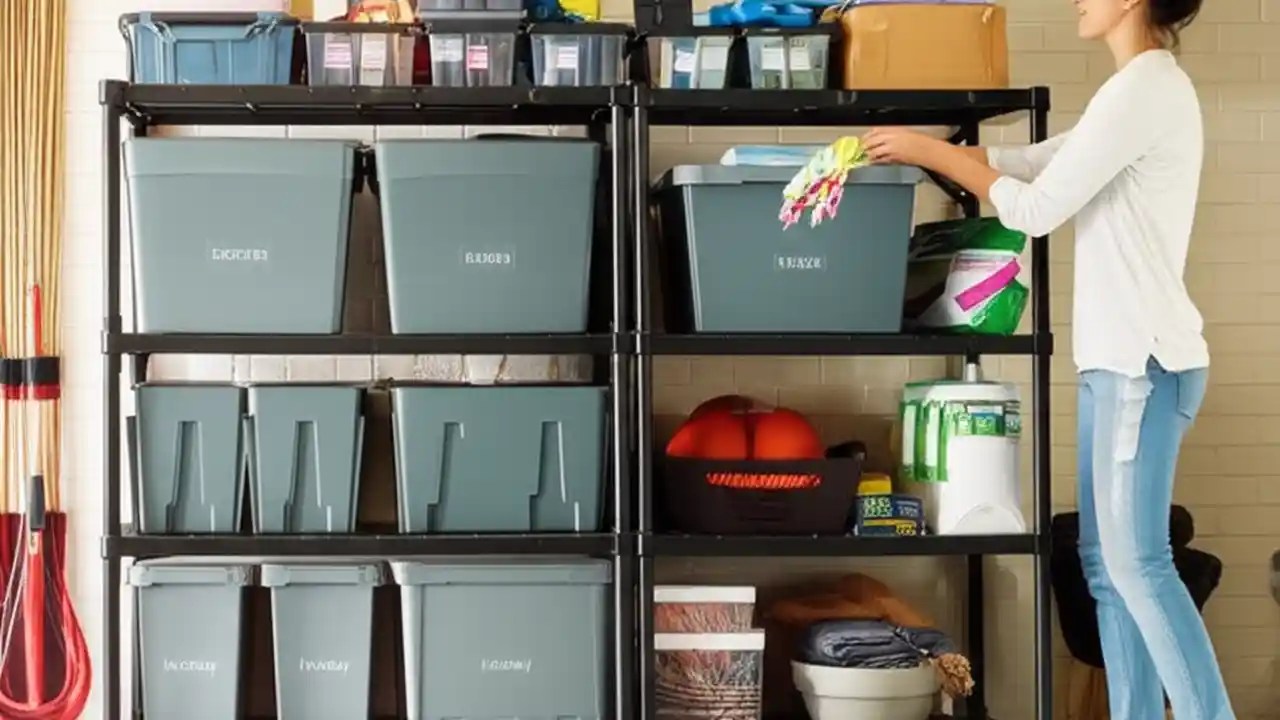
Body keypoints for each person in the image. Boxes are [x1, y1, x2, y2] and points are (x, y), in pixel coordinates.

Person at [859, 0, 1235, 718]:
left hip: (1143, 363)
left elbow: (1034, 210)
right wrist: (936, 149)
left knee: (1138, 564)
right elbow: (1037, 163)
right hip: (1116, 364)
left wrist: (928, 153)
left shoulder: (1147, 87)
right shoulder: (1133, 88)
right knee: (1104, 566)